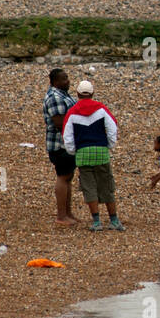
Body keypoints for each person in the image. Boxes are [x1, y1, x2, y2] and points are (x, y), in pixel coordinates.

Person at [62, 79, 124, 231]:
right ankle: (114, 220)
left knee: (89, 187)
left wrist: (74, 151)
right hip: (101, 151)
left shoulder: (72, 112)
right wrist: (109, 145)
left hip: (83, 154)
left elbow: (67, 136)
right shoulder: (101, 109)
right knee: (106, 186)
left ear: (77, 94)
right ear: (92, 93)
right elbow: (112, 128)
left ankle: (96, 222)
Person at [43, 68, 78, 226]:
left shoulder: (63, 95)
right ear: (54, 82)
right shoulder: (55, 97)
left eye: (67, 78)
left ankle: (68, 213)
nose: (67, 81)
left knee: (68, 177)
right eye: (64, 79)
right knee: (63, 177)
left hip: (68, 144)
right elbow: (59, 122)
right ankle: (61, 215)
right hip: (60, 144)